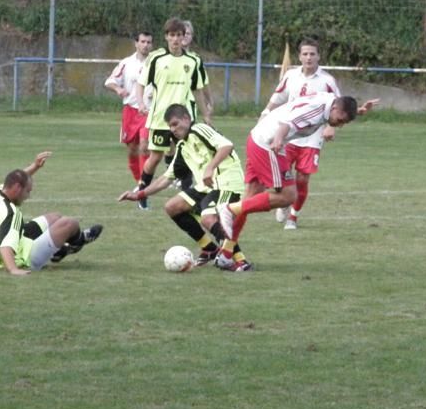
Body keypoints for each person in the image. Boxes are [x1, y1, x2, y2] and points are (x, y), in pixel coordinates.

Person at [216, 93, 378, 268]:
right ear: (334, 109)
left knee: (250, 200)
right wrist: (278, 141)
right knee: (288, 196)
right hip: (268, 144)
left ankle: (225, 255)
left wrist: (359, 110)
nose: (340, 124)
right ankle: (228, 209)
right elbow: (286, 125)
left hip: (258, 139)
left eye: (344, 122)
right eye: (340, 120)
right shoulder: (316, 110)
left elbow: (341, 106)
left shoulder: (332, 103)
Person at [117, 103, 250, 270]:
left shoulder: (200, 129)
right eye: (170, 126)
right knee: (172, 206)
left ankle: (240, 260)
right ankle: (209, 249)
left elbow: (226, 145)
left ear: (186, 119)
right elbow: (165, 179)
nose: (172, 129)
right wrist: (139, 194)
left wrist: (210, 167)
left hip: (227, 182)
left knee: (208, 219)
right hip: (207, 187)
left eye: (175, 124)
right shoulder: (182, 147)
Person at [0, 151, 103, 276]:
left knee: (55, 218)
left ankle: (60, 249)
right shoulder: (11, 214)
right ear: (17, 189)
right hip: (17, 258)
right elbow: (5, 245)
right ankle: (78, 241)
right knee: (69, 223)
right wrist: (13, 269)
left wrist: (35, 166)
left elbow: (18, 178)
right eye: (27, 191)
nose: (28, 196)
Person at [262, 38, 340, 230]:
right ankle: (284, 201)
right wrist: (266, 111)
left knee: (302, 178)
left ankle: (293, 218)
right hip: (289, 133)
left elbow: (338, 106)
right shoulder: (291, 76)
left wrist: (331, 127)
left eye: (312, 54)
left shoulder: (327, 81)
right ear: (300, 56)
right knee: (281, 175)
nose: (308, 57)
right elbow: (278, 95)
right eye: (305, 54)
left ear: (319, 56)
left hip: (312, 137)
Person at [134, 17, 212, 208]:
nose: (176, 39)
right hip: (160, 118)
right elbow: (141, 83)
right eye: (172, 35)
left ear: (184, 37)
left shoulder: (192, 61)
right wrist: (141, 103)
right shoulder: (157, 59)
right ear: (166, 37)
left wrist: (206, 115)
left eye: (179, 35)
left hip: (184, 119)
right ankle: (143, 190)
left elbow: (198, 90)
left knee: (187, 154)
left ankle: (188, 196)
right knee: (155, 156)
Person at [104, 31, 154, 208]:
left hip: (149, 112)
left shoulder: (156, 63)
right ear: (136, 43)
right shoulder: (126, 63)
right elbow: (109, 81)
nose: (146, 45)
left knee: (144, 145)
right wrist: (118, 89)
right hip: (130, 111)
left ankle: (143, 189)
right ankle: (140, 181)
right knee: (132, 150)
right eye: (143, 41)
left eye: (149, 42)